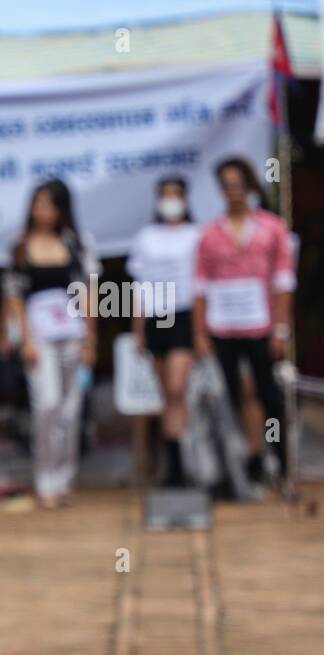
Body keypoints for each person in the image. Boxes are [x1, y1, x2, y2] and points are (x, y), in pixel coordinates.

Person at [192, 156, 296, 490]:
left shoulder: (272, 228)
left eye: (238, 183)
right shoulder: (209, 233)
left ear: (249, 185)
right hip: (223, 326)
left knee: (269, 395)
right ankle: (237, 463)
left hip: (260, 324)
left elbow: (283, 282)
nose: (233, 191)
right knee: (229, 396)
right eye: (226, 185)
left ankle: (279, 460)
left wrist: (281, 327)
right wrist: (200, 333)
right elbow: (199, 287)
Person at [0, 179, 99, 508]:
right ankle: (44, 478)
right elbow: (14, 297)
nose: (42, 211)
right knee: (47, 404)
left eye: (49, 204)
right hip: (39, 336)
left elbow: (88, 293)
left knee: (71, 410)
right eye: (38, 203)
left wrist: (90, 339)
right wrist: (23, 339)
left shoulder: (77, 244)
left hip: (72, 334)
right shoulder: (20, 246)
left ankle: (64, 477)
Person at [127, 176, 203, 487]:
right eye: (165, 195)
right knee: (165, 395)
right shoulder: (146, 237)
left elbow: (201, 285)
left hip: (184, 314)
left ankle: (183, 461)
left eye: (176, 195)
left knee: (176, 388)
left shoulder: (196, 235)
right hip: (156, 318)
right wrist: (138, 327)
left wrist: (201, 329)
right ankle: (172, 463)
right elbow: (138, 284)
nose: (170, 201)